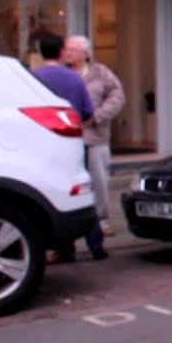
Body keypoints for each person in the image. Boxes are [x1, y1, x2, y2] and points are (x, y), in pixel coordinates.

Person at [33, 33, 104, 263]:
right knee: (82, 190)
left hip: (45, 144)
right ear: (62, 51)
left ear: (39, 51)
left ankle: (64, 249)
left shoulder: (33, 78)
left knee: (54, 193)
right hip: (74, 142)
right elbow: (87, 111)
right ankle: (96, 244)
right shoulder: (75, 79)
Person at [63, 36, 126, 239]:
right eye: (66, 49)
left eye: (72, 49)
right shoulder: (64, 73)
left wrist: (97, 116)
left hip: (95, 137)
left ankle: (102, 220)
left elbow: (117, 96)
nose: (67, 53)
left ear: (85, 53)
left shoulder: (100, 73)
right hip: (68, 138)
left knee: (98, 181)